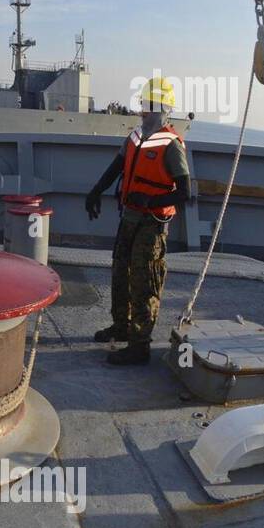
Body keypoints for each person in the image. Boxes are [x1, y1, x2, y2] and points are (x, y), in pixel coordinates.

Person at [86, 75, 190, 366]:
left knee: (145, 281)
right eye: (144, 104)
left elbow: (185, 192)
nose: (145, 110)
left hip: (152, 224)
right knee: (120, 272)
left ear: (164, 109)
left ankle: (139, 344)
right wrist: (95, 191)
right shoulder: (135, 138)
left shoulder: (171, 145)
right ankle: (121, 326)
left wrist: (152, 202)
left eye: (151, 105)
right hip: (128, 218)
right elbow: (116, 167)